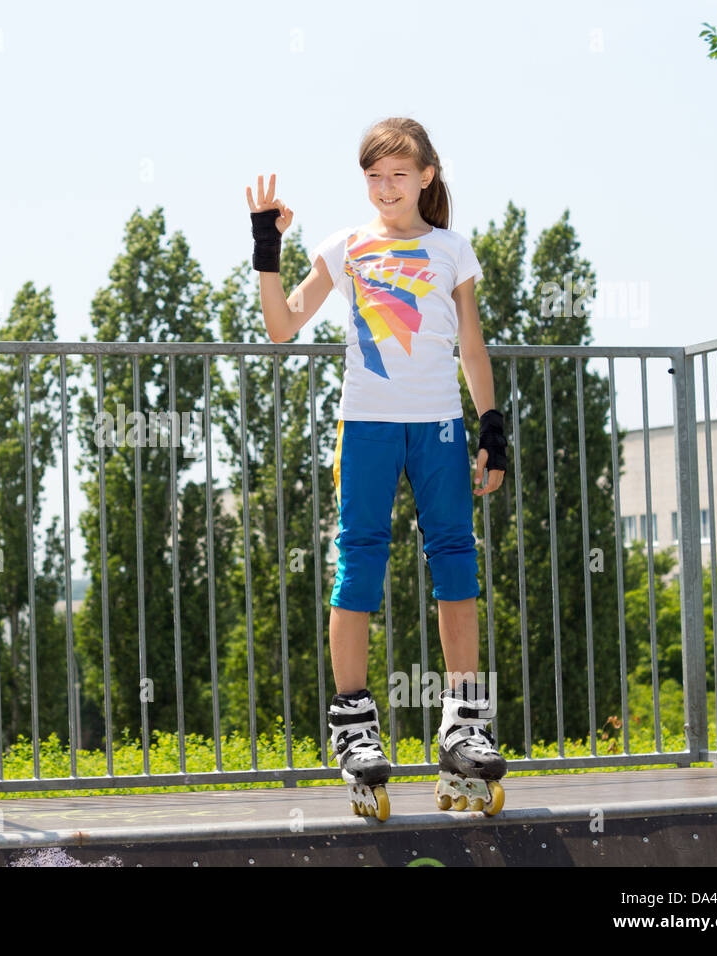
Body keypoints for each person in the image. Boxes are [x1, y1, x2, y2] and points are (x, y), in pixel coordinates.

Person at [245, 116, 509, 819]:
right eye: (374, 175)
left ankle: (464, 726)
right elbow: (282, 324)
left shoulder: (453, 249)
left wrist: (492, 427)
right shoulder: (346, 245)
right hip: (365, 426)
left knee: (455, 558)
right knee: (358, 560)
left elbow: (472, 347)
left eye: (399, 174)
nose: (385, 187)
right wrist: (266, 245)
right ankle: (355, 729)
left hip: (439, 427)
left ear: (426, 175)